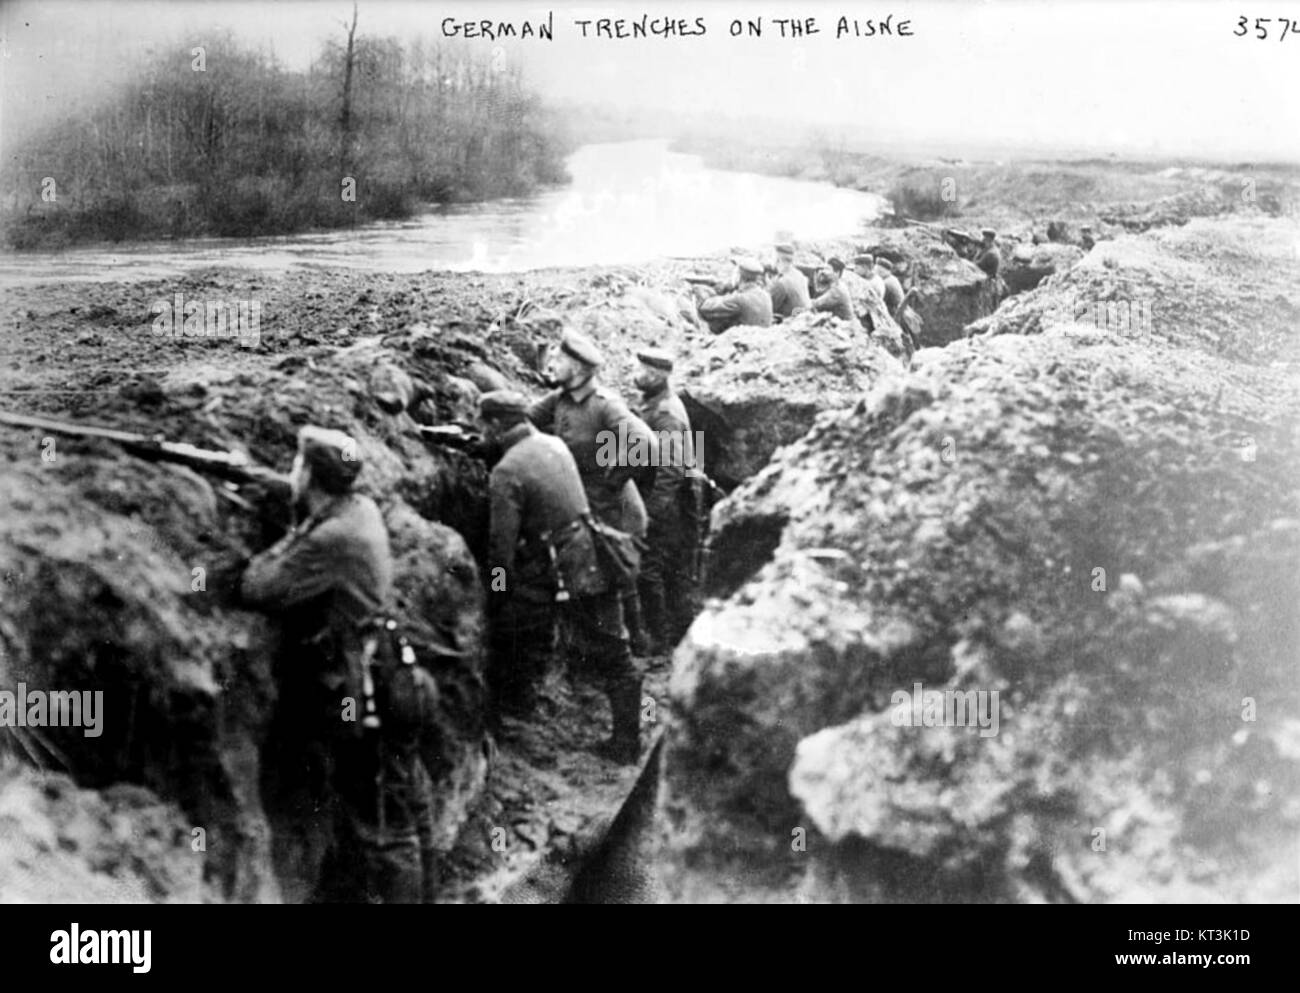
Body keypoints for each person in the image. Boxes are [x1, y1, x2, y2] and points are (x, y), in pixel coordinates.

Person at [240, 426, 443, 903]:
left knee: (382, 825)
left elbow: (258, 586)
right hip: (399, 671)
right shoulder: (360, 508)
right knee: (406, 795)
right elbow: (325, 509)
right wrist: (278, 487)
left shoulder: (330, 537)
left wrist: (287, 533)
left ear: (310, 474)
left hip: (369, 690)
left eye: (297, 465)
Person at [489, 389, 645, 764]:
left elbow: (500, 553)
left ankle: (519, 712)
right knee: (614, 646)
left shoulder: (506, 472)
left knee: (524, 625)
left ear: (494, 425)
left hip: (572, 571)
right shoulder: (554, 445)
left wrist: (495, 595)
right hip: (594, 553)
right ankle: (628, 737)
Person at [529, 329, 656, 656]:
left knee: (612, 577)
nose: (553, 363)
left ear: (581, 370)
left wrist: (612, 481)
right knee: (605, 578)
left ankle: (627, 652)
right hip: (588, 504)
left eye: (560, 359)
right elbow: (524, 419)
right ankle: (619, 649)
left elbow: (645, 443)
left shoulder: (604, 405)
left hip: (615, 508)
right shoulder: (559, 399)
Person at [632, 347, 702, 653]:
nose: (635, 375)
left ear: (656, 377)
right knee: (673, 572)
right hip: (667, 500)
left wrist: (649, 514)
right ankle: (680, 638)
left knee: (651, 570)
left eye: (641, 371)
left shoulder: (667, 415)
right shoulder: (654, 405)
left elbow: (671, 470)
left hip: (668, 503)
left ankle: (659, 644)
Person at [697, 257, 774, 333]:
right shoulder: (765, 295)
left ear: (739, 276)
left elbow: (705, 307)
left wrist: (708, 292)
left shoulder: (740, 299)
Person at [811, 258, 861, 328]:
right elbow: (819, 291)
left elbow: (816, 304)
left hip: (845, 328)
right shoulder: (836, 284)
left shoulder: (837, 291)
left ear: (837, 273)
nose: (823, 272)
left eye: (827, 269)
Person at [768, 242, 811, 320]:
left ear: (777, 259)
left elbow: (768, 308)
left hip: (789, 324)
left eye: (771, 256)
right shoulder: (799, 275)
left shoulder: (781, 283)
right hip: (802, 320)